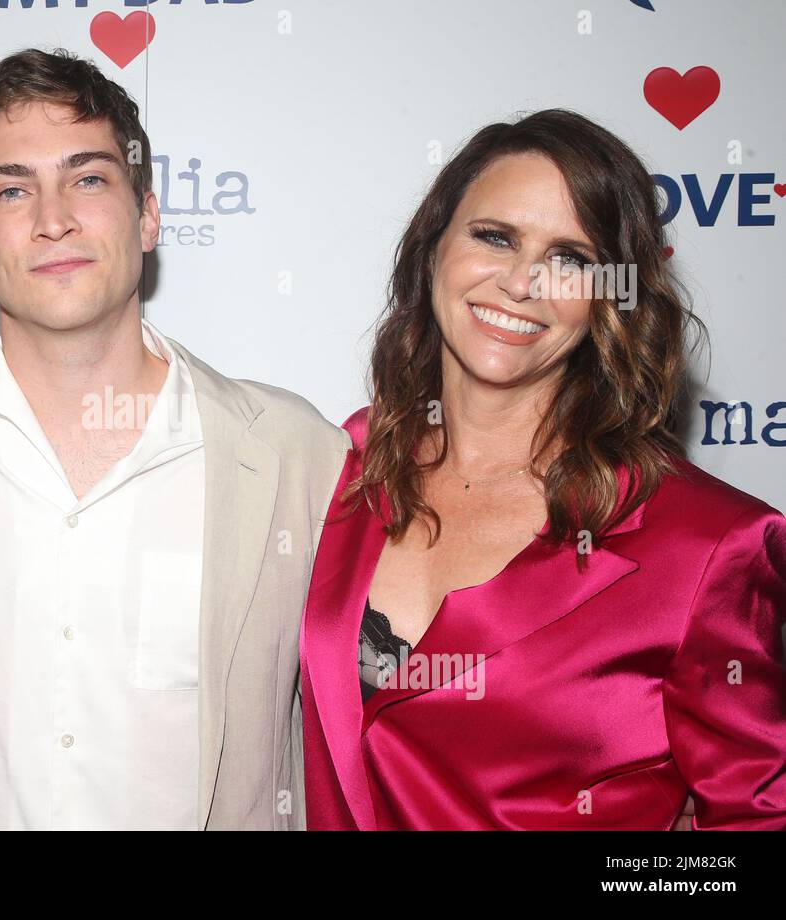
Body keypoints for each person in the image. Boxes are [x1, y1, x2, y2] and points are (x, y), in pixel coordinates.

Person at [0, 48, 350, 830]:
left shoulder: (298, 457)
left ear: (150, 214)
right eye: (12, 189)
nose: (52, 217)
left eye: (88, 179)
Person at [301, 109, 786, 830]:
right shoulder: (335, 469)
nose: (523, 282)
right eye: (495, 237)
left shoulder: (713, 544)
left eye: (571, 260)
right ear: (433, 250)